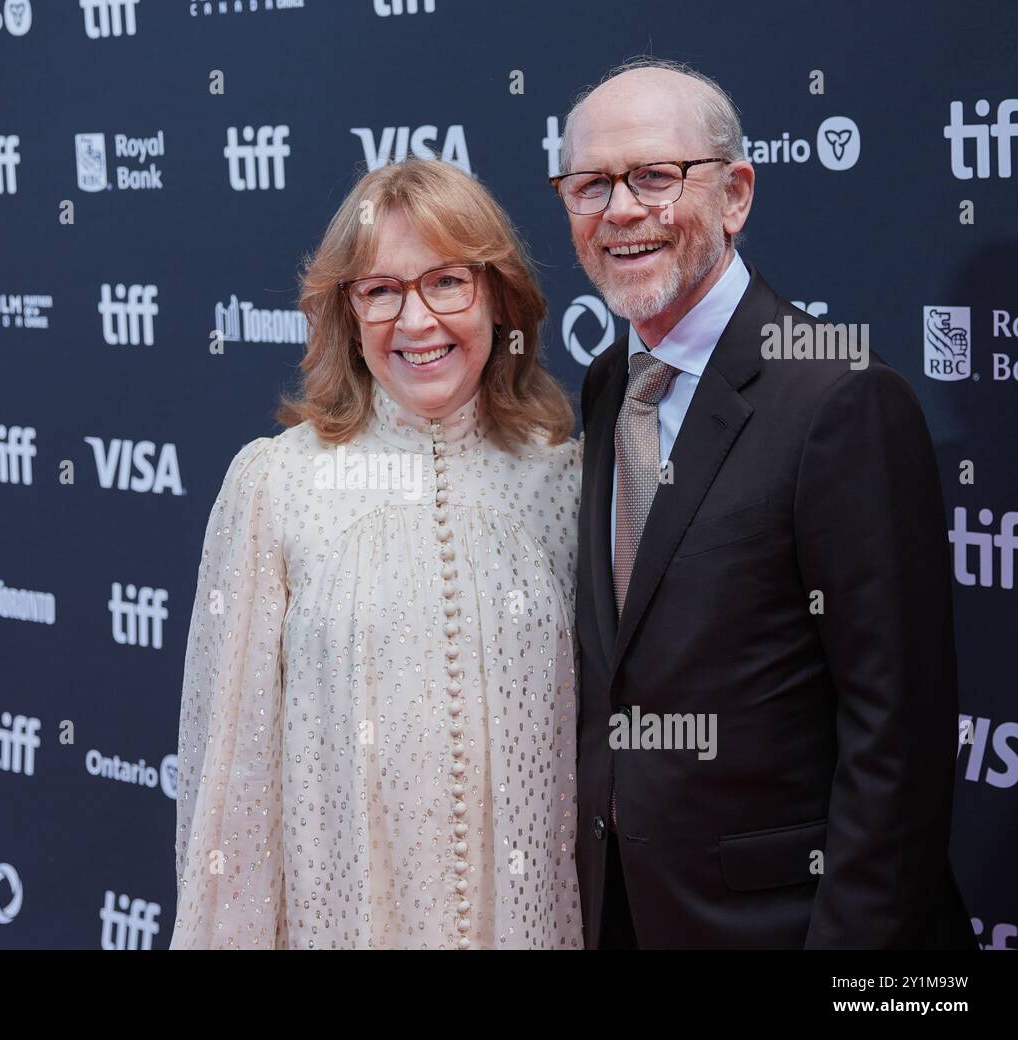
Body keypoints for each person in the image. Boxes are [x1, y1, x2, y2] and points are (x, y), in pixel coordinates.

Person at [555, 58, 976, 949]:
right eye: (592, 185)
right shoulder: (604, 388)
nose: (622, 210)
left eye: (656, 177)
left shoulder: (841, 398)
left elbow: (895, 740)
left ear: (736, 193)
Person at [171, 158, 584, 948]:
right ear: (348, 315)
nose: (417, 321)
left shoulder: (570, 483)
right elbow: (234, 784)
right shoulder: (275, 486)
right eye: (382, 291)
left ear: (499, 298)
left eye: (448, 282)